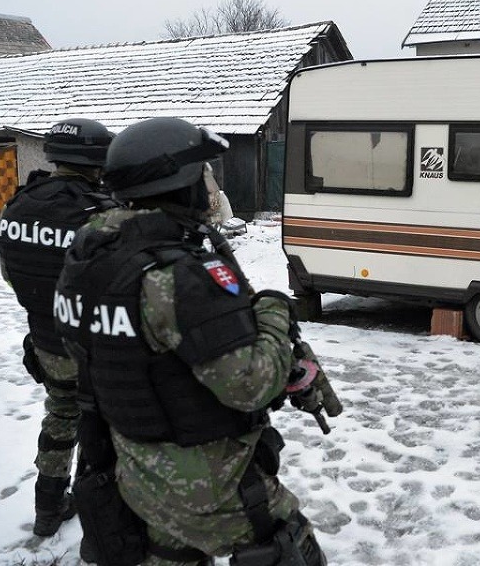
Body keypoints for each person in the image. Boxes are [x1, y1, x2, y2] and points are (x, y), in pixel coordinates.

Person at [54, 117, 327, 565]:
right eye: (204, 174)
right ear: (178, 182)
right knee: (286, 547)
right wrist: (276, 309)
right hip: (204, 479)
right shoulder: (175, 275)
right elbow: (250, 384)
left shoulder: (91, 253)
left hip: (136, 465)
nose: (210, 185)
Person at [0, 117, 115, 536]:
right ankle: (98, 507)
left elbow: (10, 274)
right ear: (99, 159)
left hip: (45, 337)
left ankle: (48, 508)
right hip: (98, 344)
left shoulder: (19, 203)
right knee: (108, 424)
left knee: (61, 418)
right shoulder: (103, 212)